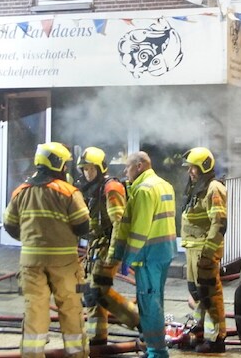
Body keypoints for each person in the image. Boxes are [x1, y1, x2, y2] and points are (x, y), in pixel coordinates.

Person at [3, 142, 90, 358]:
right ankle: (77, 354)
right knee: (71, 309)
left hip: (31, 262)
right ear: (57, 164)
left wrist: (31, 241)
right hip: (64, 263)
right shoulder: (68, 192)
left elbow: (10, 225)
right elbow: (83, 226)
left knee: (35, 310)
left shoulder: (20, 192)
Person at [106, 151, 177, 358]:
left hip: (147, 256)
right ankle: (156, 348)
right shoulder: (164, 185)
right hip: (164, 252)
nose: (125, 172)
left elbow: (139, 229)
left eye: (127, 167)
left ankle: (157, 351)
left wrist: (128, 257)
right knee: (157, 300)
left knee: (148, 304)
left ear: (139, 166)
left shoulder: (144, 190)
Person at [77, 147, 139, 347]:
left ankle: (139, 321)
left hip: (106, 247)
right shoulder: (90, 189)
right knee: (91, 293)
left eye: (91, 169)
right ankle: (97, 337)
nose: (87, 173)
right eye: (84, 169)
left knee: (99, 290)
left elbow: (118, 223)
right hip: (94, 247)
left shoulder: (111, 188)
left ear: (100, 167)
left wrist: (114, 254)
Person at [177, 147, 228, 353]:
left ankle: (217, 339)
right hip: (192, 248)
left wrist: (208, 253)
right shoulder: (197, 188)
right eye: (189, 168)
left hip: (204, 250)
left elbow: (219, 223)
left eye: (194, 168)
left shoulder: (213, 188)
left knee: (210, 294)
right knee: (197, 294)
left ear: (204, 167)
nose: (190, 171)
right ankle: (199, 333)